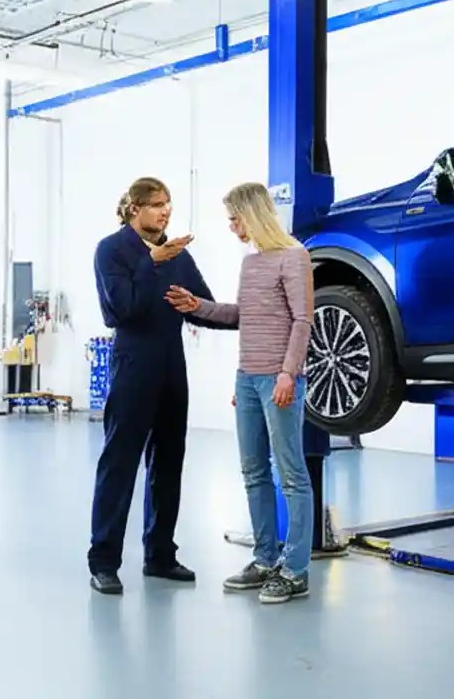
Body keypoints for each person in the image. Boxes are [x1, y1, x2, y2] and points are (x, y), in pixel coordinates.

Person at [164, 181, 315, 605]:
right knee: (253, 471)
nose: (232, 227)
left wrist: (288, 373)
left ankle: (296, 570)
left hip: (279, 380)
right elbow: (242, 317)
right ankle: (265, 558)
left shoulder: (294, 256)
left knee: (291, 474)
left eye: (235, 218)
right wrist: (198, 306)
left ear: (253, 215)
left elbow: (302, 321)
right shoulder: (251, 264)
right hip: (248, 379)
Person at [88, 176, 230, 595]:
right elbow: (122, 309)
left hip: (172, 365)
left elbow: (202, 305)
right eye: (155, 205)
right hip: (133, 364)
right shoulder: (111, 250)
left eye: (168, 203)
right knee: (120, 462)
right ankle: (104, 562)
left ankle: (160, 554)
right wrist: (152, 262)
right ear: (134, 209)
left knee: (168, 463)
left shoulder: (178, 255)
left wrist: (244, 312)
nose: (165, 211)